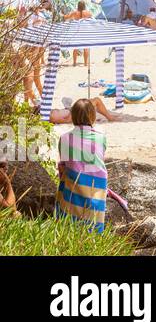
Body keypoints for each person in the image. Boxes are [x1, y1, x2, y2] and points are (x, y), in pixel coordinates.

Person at [54, 99, 108, 232]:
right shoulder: (101, 137)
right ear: (93, 116)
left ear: (72, 116)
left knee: (64, 173)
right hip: (96, 189)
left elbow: (64, 164)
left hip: (74, 187)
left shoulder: (65, 138)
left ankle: (66, 222)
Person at [68, 0, 92, 67]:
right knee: (86, 48)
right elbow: (91, 19)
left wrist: (62, 15)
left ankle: (74, 63)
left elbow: (66, 17)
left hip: (77, 31)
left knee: (75, 48)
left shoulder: (75, 13)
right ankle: (85, 63)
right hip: (85, 31)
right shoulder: (88, 13)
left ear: (78, 5)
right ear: (84, 6)